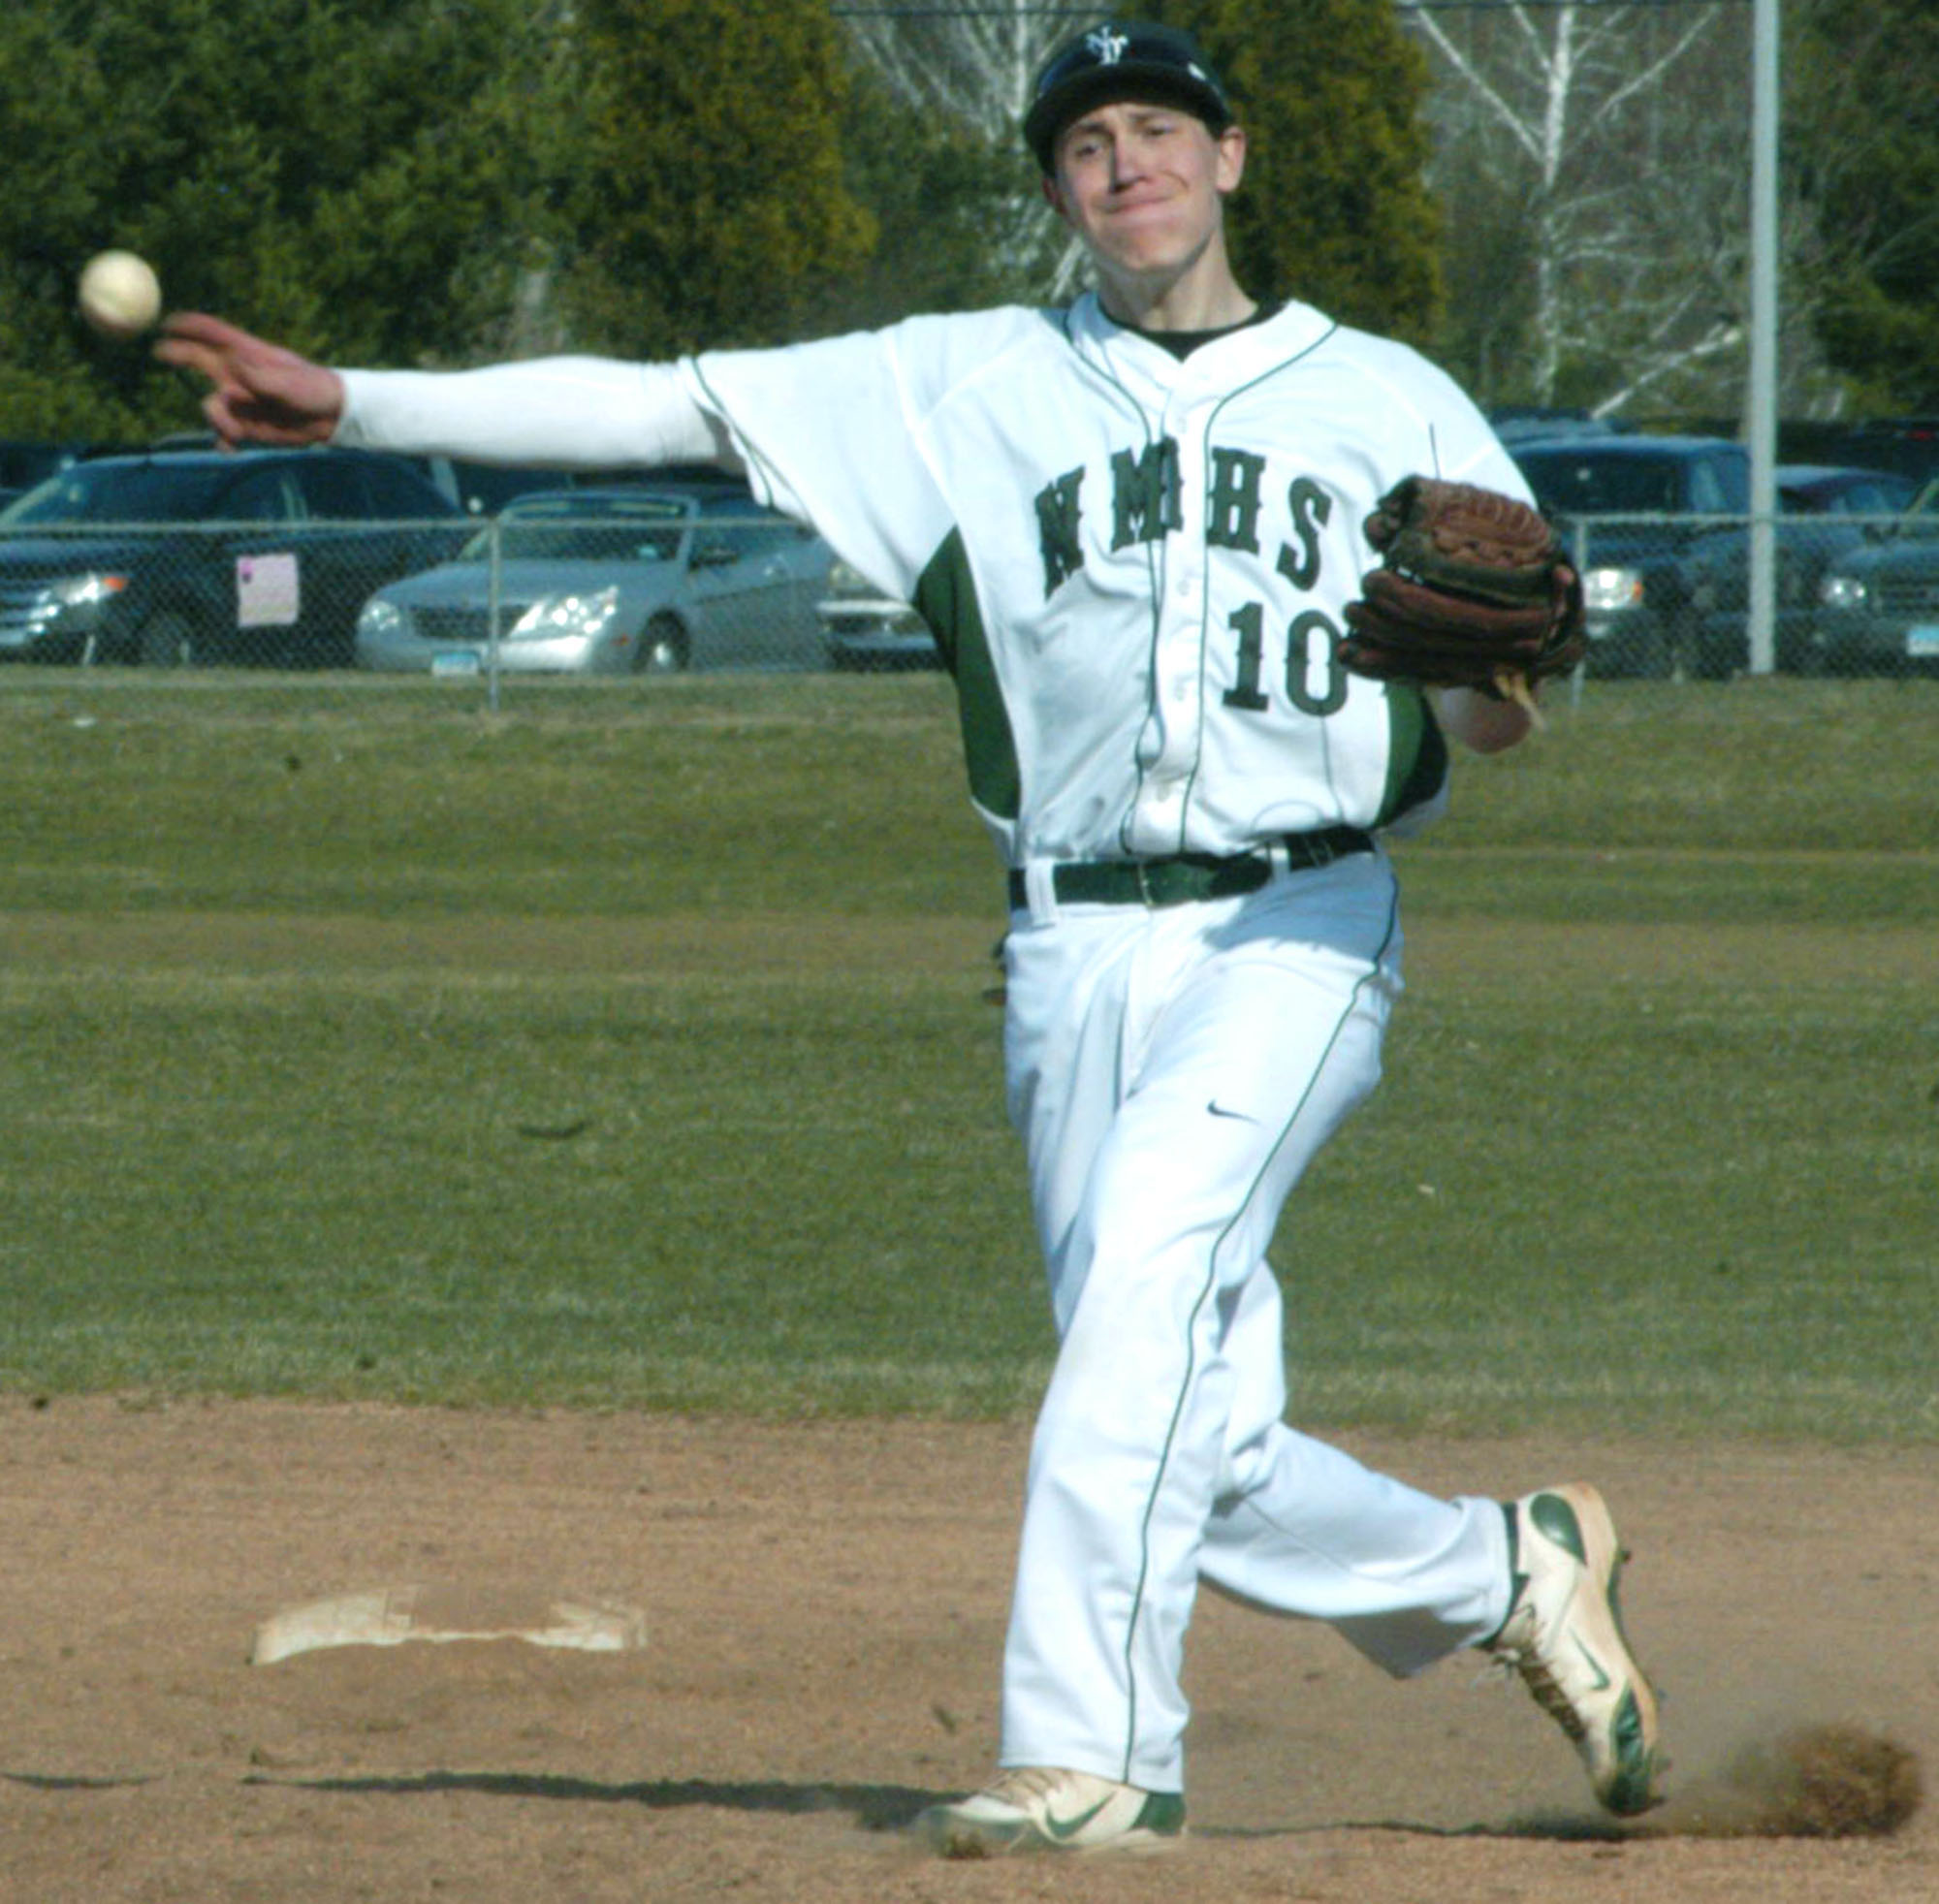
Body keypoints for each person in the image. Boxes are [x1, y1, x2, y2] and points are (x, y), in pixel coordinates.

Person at [160, 17, 1663, 1856]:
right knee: (1185, 1421)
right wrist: (366, 401)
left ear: (1233, 159)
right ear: (1056, 188)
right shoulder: (960, 385)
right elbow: (668, 407)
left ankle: (1091, 1754)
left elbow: (1498, 715)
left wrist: (1493, 675)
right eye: (1088, 141)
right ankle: (1508, 1573)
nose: (1129, 164)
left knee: (1136, 1317)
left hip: (1299, 920)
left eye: (1160, 129)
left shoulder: (1395, 398)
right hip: (1063, 954)